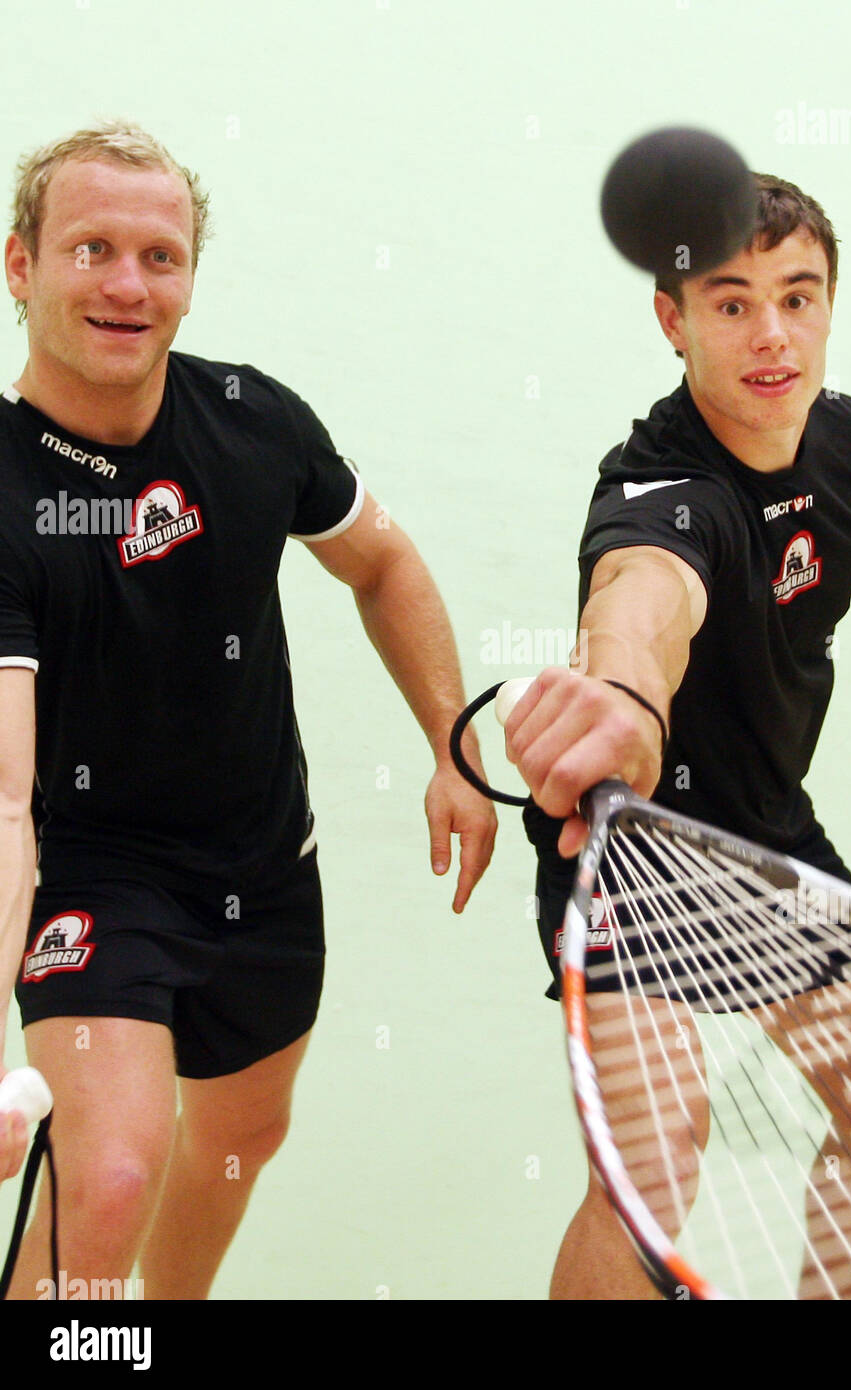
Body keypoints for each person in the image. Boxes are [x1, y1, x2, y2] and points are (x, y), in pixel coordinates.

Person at [507, 173, 851, 1299]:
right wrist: (624, 701)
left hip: (768, 840)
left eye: (797, 297)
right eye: (730, 302)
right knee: (651, 1164)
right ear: (671, 318)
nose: (771, 335)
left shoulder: (845, 442)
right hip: (633, 851)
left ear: (827, 306)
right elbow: (643, 600)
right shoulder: (660, 497)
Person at [0, 122, 497, 1299]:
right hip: (86, 876)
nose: (128, 285)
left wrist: (453, 745)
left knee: (237, 1141)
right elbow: (4, 801)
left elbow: (382, 563)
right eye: (91, 249)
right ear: (19, 266)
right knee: (112, 1175)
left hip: (266, 867)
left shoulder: (254, 420)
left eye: (160, 256)